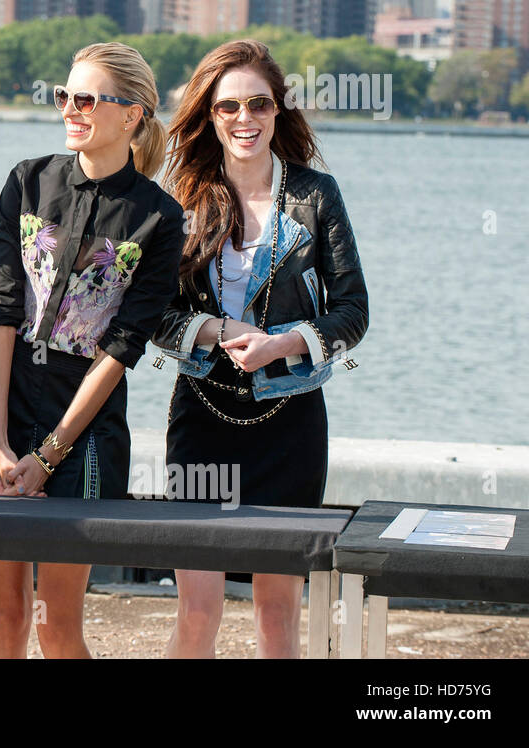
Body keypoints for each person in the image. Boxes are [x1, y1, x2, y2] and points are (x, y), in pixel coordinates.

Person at [0, 42, 184, 659]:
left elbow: (123, 347)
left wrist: (49, 455)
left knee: (57, 624)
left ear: (131, 115)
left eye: (87, 99)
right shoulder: (27, 181)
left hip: (85, 428)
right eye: (64, 96)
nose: (71, 109)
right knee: (6, 613)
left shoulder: (158, 217)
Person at [152, 39, 369, 659]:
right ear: (210, 117)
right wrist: (215, 331)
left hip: (290, 424)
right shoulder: (182, 201)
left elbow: (353, 312)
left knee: (278, 616)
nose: (245, 118)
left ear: (278, 111)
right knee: (197, 612)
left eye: (259, 104)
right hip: (203, 416)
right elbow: (151, 316)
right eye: (229, 107)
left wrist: (283, 344)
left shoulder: (317, 195)